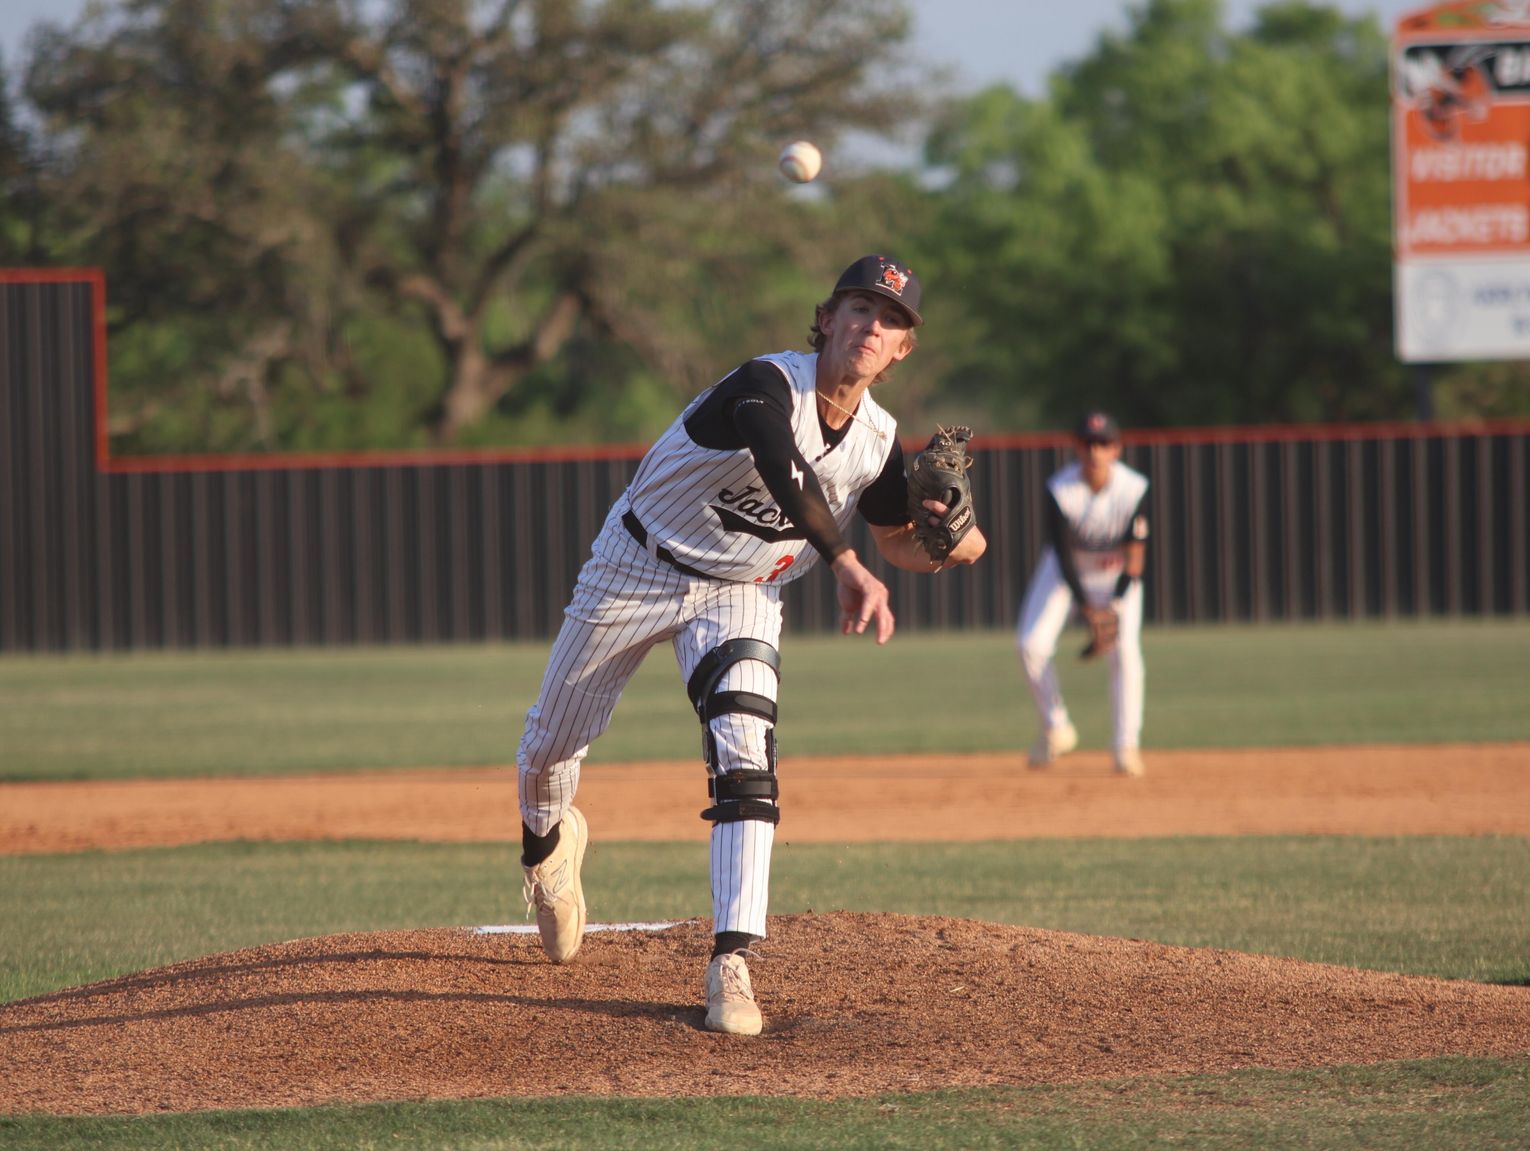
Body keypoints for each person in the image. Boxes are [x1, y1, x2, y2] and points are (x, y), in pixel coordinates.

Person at [514, 254, 987, 1036]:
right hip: (638, 563)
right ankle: (547, 846)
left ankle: (730, 962)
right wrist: (843, 563)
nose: (874, 326)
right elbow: (782, 463)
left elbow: (905, 541)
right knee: (549, 749)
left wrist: (953, 533)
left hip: (742, 592)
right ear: (829, 318)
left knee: (746, 749)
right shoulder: (765, 385)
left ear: (903, 349)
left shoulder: (876, 440)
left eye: (892, 320)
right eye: (862, 309)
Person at [1016, 409, 1150, 776]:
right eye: (1088, 443)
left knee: (1125, 652)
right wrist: (1088, 607)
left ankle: (1126, 746)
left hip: (1116, 576)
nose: (1095, 451)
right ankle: (1055, 728)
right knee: (1031, 644)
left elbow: (1135, 557)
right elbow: (1061, 553)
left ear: (1116, 449)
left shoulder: (1133, 488)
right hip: (1064, 573)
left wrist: (1114, 604)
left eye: (1103, 443)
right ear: (1077, 447)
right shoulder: (1061, 489)